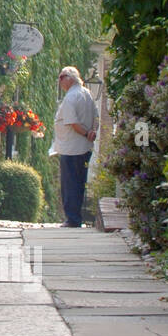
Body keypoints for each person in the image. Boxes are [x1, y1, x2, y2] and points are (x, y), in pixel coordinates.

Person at [48, 65, 99, 227]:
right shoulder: (88, 94)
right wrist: (92, 132)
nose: (60, 80)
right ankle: (76, 217)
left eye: (62, 77)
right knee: (79, 182)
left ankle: (72, 219)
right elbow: (96, 117)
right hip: (84, 147)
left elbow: (72, 122)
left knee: (69, 183)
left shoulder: (71, 97)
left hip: (71, 147)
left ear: (70, 78)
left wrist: (85, 133)